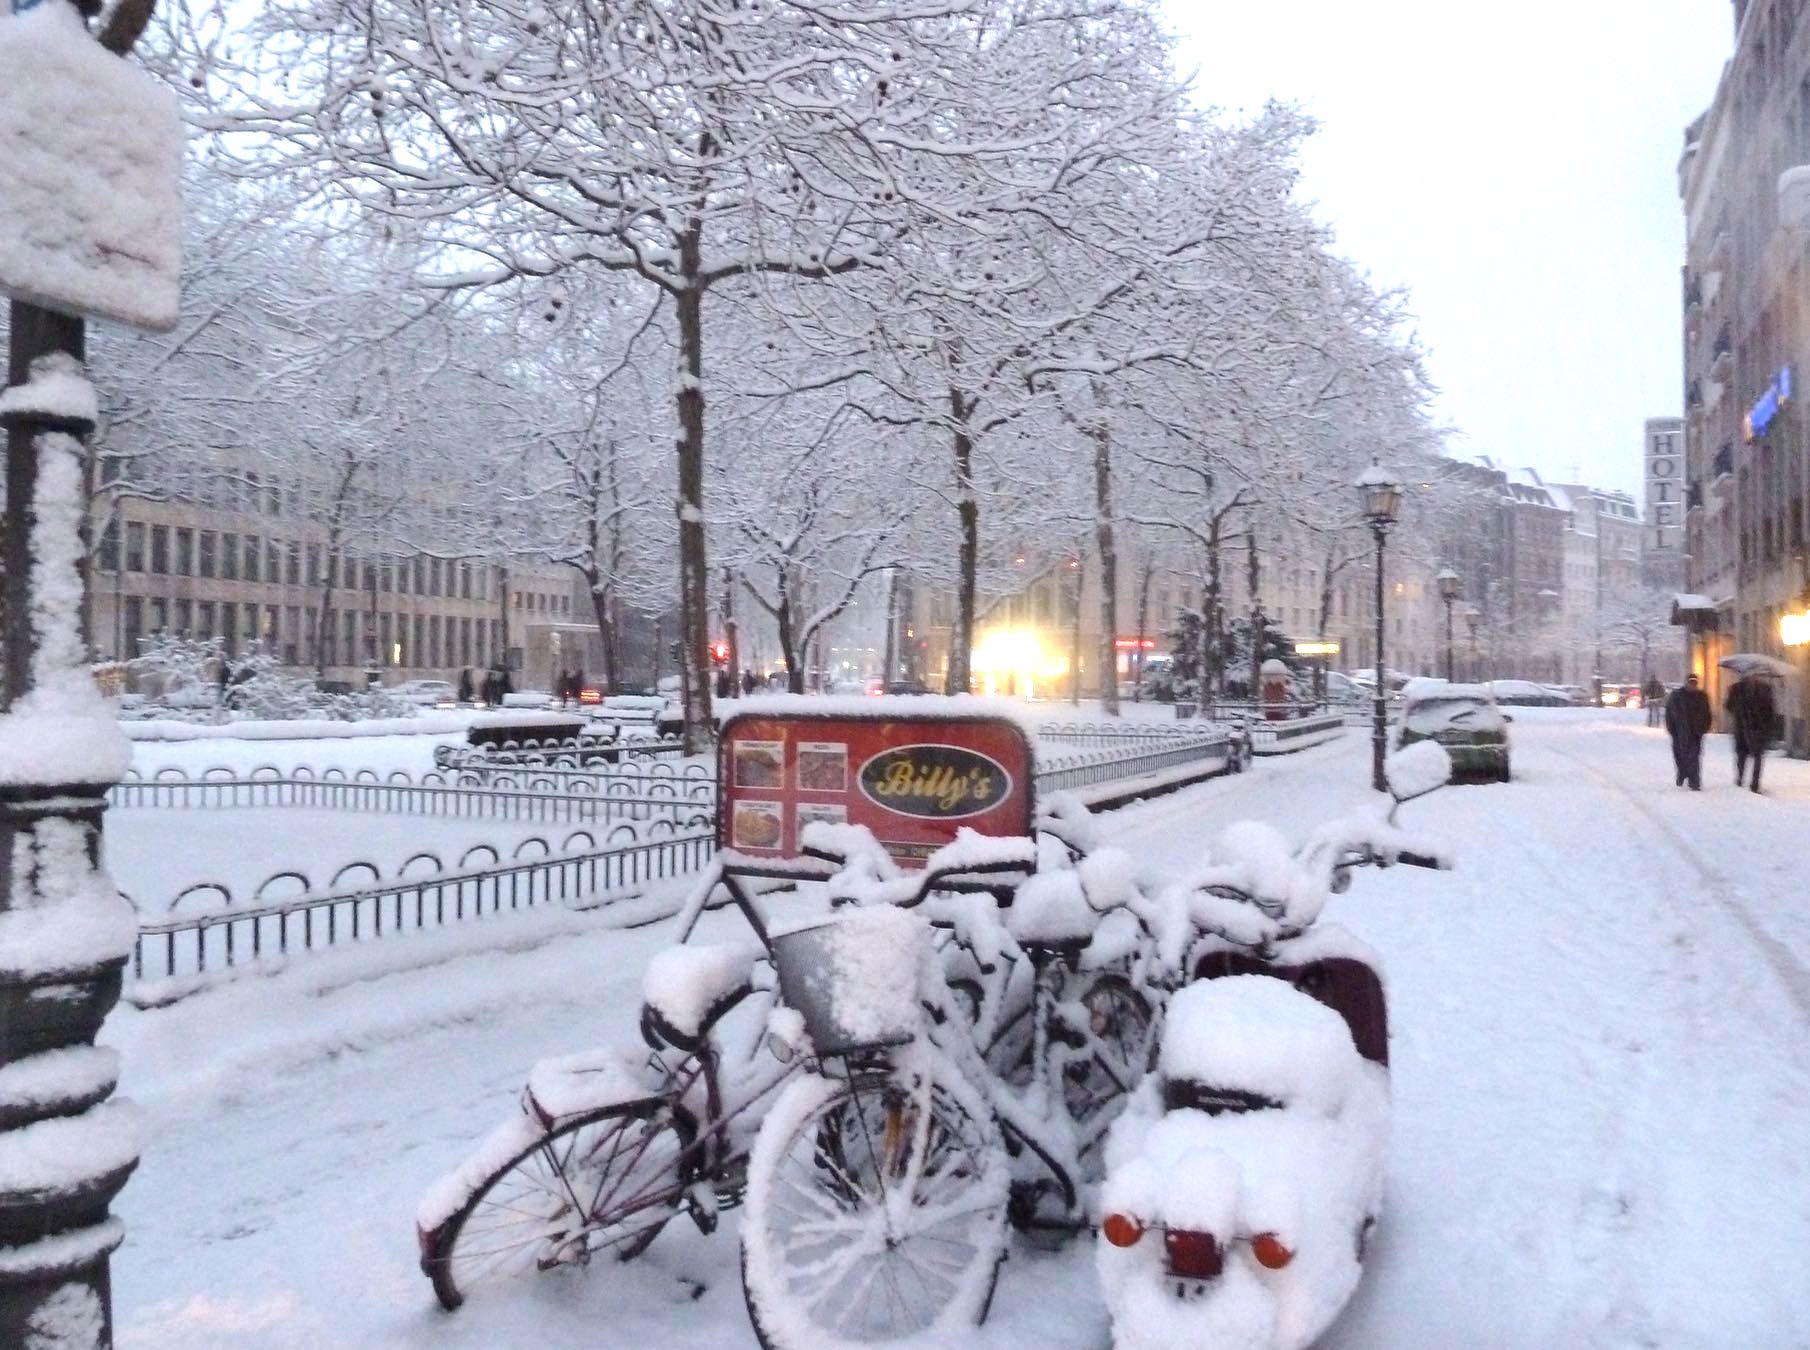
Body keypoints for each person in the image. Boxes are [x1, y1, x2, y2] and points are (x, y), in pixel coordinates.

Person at [1726, 671, 1777, 793]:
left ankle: (1755, 784)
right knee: (1741, 755)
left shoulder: (1765, 689)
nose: (1751, 677)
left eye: (1754, 675)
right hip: (1741, 728)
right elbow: (1728, 706)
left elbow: (1770, 709)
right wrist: (1737, 707)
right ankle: (1740, 779)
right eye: (1748, 675)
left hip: (1758, 728)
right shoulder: (1736, 688)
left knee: (1758, 756)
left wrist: (1769, 727)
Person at [1664, 674, 1711, 790]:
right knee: (1680, 755)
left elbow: (1707, 713)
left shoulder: (1702, 696)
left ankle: (1694, 781)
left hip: (1696, 732)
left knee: (1694, 756)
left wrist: (1705, 727)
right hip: (1679, 731)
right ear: (1686, 683)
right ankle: (1682, 772)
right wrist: (1671, 728)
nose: (1692, 685)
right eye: (1691, 683)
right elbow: (1669, 713)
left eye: (1695, 683)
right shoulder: (1677, 696)